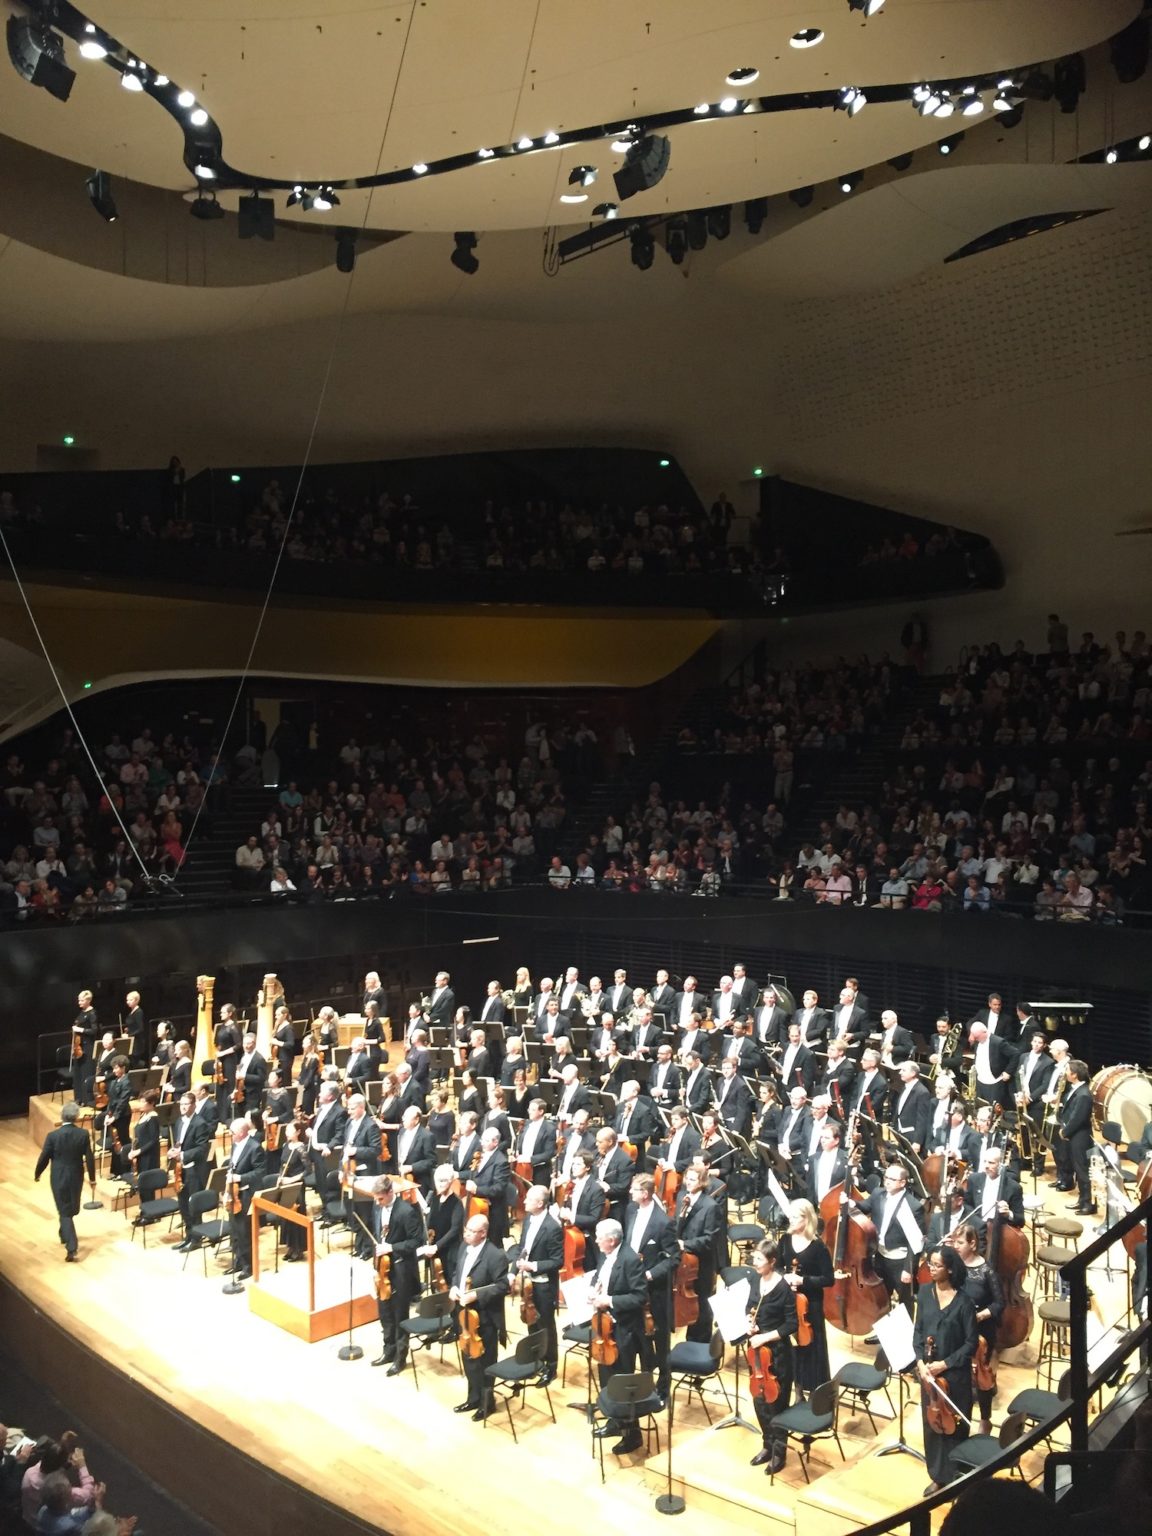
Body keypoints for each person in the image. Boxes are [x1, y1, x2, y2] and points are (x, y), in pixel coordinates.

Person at [913, 1244, 977, 1495]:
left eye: (937, 1265)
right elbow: (918, 1332)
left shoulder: (964, 1303)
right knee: (932, 1426)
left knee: (954, 1426)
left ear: (950, 1269)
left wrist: (945, 1363)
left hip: (954, 1376)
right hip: (929, 1375)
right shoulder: (925, 1292)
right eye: (930, 1264)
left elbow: (971, 1343)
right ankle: (938, 1475)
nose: (932, 1269)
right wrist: (920, 1362)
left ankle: (957, 1476)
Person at [588, 1217, 650, 1455]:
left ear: (611, 1240)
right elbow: (601, 1279)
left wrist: (610, 1300)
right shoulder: (606, 1255)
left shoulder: (630, 1260)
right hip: (605, 1329)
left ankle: (632, 1435)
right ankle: (615, 1422)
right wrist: (594, 1291)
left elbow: (639, 1297)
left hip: (624, 1332)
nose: (595, 1240)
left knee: (622, 1382)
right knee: (607, 1378)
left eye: (599, 1237)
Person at [624, 1173, 680, 1401]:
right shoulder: (630, 1211)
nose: (630, 1193)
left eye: (634, 1190)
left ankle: (664, 1387)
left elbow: (673, 1258)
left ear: (645, 1194)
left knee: (660, 1340)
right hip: (633, 1288)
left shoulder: (663, 1222)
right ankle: (644, 1380)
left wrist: (650, 1273)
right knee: (640, 1338)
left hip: (655, 1291)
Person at [449, 1212, 509, 1421]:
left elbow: (502, 1286)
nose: (466, 1234)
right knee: (469, 1358)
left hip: (484, 1317)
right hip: (464, 1315)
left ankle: (487, 1403)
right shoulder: (464, 1247)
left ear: (483, 1233)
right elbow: (458, 1273)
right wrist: (454, 1288)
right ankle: (473, 1397)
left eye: (471, 1231)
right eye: (466, 1229)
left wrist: (476, 1294)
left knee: (485, 1362)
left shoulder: (496, 1255)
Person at [361, 1175, 423, 1373]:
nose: (377, 1202)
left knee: (399, 1316)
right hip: (382, 1269)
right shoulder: (378, 1207)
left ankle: (400, 1357)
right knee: (384, 1313)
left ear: (390, 1193)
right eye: (376, 1199)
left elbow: (416, 1242)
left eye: (380, 1198)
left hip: (401, 1270)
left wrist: (391, 1247)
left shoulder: (407, 1211)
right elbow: (377, 1234)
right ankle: (388, 1351)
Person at [747, 1236, 798, 1474]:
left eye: (760, 1259)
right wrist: (750, 1323)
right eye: (755, 1258)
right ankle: (767, 1445)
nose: (755, 1263)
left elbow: (791, 1325)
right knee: (759, 1401)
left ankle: (779, 1452)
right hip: (757, 1355)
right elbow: (751, 1307)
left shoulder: (783, 1289)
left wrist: (764, 1336)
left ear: (772, 1261)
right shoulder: (755, 1282)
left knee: (777, 1404)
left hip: (777, 1354)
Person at [507, 1183, 564, 1383]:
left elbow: (558, 1261)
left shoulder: (552, 1227)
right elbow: (522, 1248)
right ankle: (536, 1359)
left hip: (544, 1284)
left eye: (529, 1199)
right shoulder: (529, 1219)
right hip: (528, 1282)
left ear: (540, 1203)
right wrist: (513, 1271)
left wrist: (534, 1266)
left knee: (545, 1324)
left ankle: (551, 1365)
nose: (523, 1201)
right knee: (530, 1320)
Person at [778, 1198, 834, 1398]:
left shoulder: (818, 1247)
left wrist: (803, 1280)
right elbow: (777, 1265)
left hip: (811, 1304)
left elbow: (828, 1279)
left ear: (807, 1218)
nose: (791, 1220)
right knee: (791, 1347)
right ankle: (796, 1388)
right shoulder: (785, 1240)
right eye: (790, 1216)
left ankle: (816, 1391)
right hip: (789, 1302)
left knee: (812, 1346)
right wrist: (784, 1276)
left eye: (795, 1217)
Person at [951, 1221, 1003, 1435]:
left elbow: (1000, 1303)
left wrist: (981, 1315)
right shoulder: (954, 1267)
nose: (956, 1246)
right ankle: (958, 1414)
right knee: (958, 1373)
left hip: (982, 1329)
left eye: (960, 1242)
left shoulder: (986, 1271)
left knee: (981, 1377)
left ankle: (985, 1419)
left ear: (973, 1244)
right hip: (959, 1327)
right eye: (954, 1242)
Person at [34, 1101, 95, 1261]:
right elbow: (89, 1157)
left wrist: (37, 1173)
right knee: (68, 1209)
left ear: (62, 1116)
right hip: (76, 1176)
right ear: (76, 1117)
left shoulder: (53, 1136)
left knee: (65, 1211)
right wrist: (93, 1179)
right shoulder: (83, 1134)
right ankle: (67, 1240)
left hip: (58, 1176)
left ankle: (71, 1245)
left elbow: (44, 1158)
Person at [224, 1116, 267, 1280]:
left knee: (244, 1232)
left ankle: (248, 1266)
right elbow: (233, 1165)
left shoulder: (255, 1147)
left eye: (233, 1132)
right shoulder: (235, 1144)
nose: (231, 1135)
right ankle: (238, 1262)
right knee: (234, 1231)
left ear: (242, 1132)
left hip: (246, 1195)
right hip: (233, 1193)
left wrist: (239, 1178)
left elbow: (260, 1173)